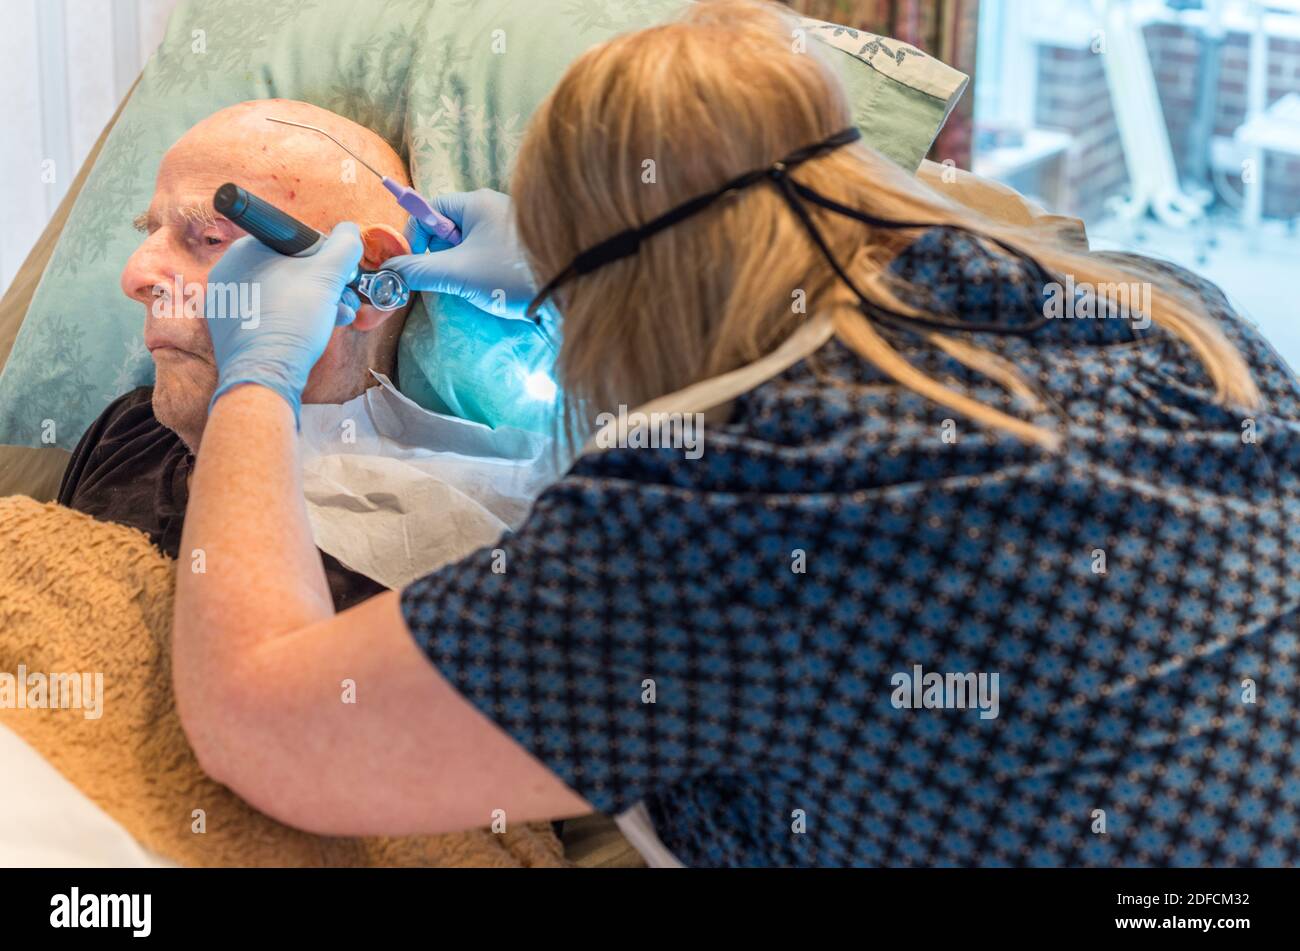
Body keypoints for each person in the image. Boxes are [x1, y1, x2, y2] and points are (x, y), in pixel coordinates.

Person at [171, 0, 1300, 866]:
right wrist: (577, 271)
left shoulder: (727, 515)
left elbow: (261, 720)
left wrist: (254, 378)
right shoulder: (1160, 318)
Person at [58, 99, 412, 609]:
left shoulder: (407, 560)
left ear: (367, 270)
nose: (135, 277)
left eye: (208, 236)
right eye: (150, 232)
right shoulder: (131, 429)